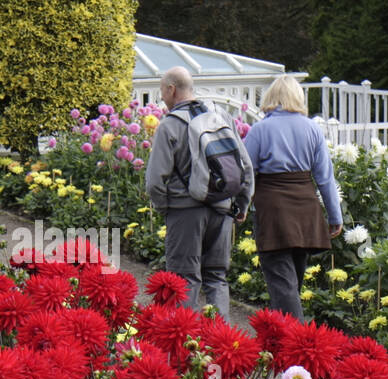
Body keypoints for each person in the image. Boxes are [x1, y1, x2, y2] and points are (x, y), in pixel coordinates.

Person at [145, 66, 254, 318]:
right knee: (216, 277)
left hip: (185, 213)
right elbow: (245, 166)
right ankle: (219, 343)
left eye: (162, 91)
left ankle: (185, 345)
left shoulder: (169, 125)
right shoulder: (221, 117)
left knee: (184, 279)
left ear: (171, 89)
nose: (162, 97)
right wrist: (241, 204)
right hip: (222, 209)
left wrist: (165, 208)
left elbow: (154, 181)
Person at [242, 73, 343, 320]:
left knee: (282, 283)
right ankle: (288, 339)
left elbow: (245, 172)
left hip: (273, 209)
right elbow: (325, 177)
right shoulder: (312, 130)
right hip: (305, 208)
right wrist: (335, 215)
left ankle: (292, 340)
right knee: (293, 281)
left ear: (271, 98)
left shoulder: (260, 130)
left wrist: (241, 205)